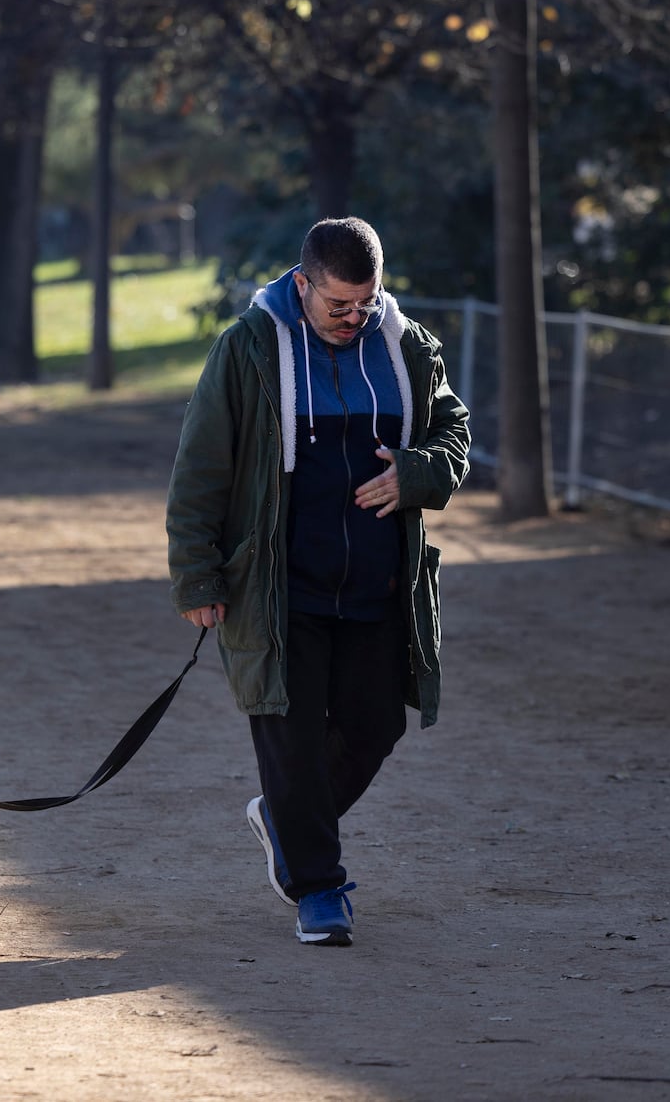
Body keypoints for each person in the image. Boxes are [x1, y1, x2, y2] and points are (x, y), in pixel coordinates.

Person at [165, 216, 470, 947]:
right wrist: (196, 575)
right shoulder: (246, 349)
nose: (354, 317)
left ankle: (284, 820)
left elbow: (453, 436)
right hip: (277, 592)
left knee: (376, 726)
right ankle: (319, 889)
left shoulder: (407, 346)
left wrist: (416, 473)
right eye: (339, 304)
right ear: (302, 284)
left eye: (366, 302)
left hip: (377, 588)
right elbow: (201, 469)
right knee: (293, 745)